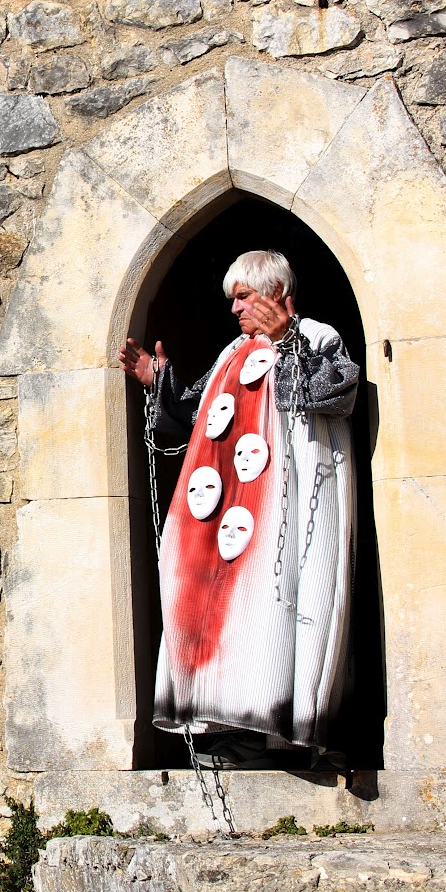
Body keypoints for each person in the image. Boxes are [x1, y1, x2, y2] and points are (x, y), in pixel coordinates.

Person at [117, 249, 360, 765]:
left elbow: (331, 394)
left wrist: (288, 337)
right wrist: (157, 381)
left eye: (244, 297)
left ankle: (298, 735)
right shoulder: (234, 351)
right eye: (233, 299)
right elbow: (200, 413)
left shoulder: (317, 338)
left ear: (276, 294)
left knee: (288, 615)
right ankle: (241, 734)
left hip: (290, 514)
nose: (234, 310)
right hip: (233, 516)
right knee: (238, 619)